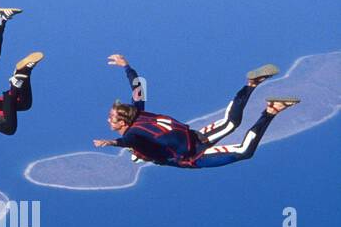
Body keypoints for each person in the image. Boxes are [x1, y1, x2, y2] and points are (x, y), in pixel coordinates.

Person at [92, 54, 299, 169]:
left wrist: (112, 143)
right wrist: (127, 66)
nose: (108, 119)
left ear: (123, 122)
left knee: (244, 151)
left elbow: (130, 141)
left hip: (193, 155)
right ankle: (251, 86)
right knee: (230, 123)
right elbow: (138, 88)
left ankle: (270, 111)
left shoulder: (132, 133)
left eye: (112, 117)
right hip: (195, 138)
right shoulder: (138, 112)